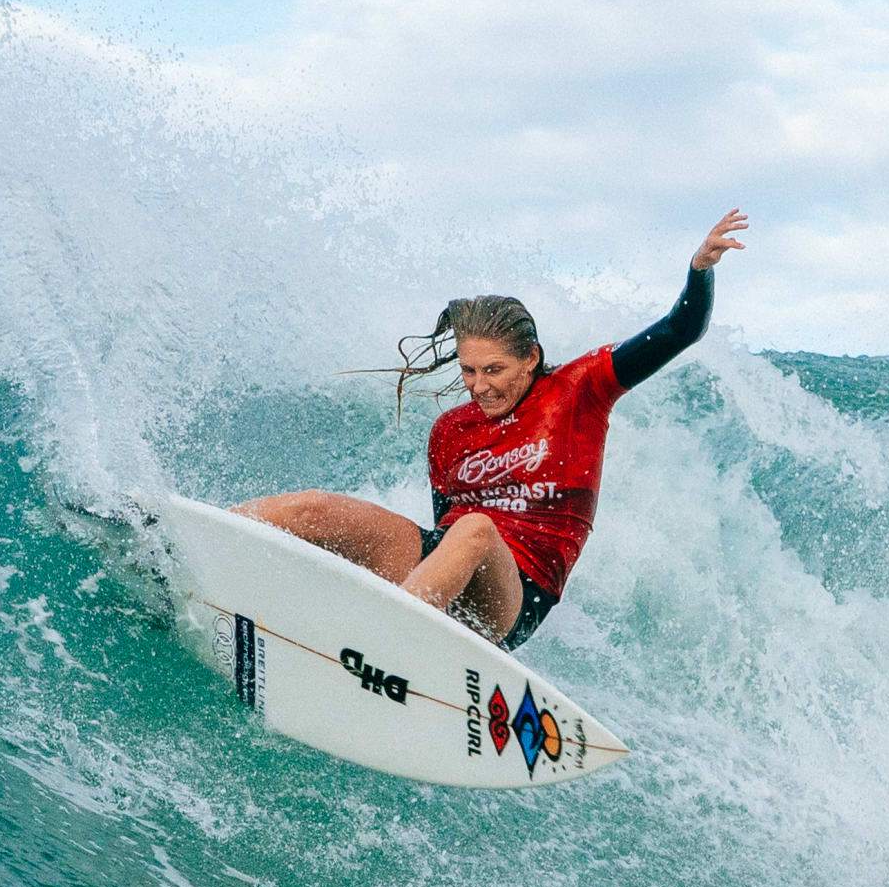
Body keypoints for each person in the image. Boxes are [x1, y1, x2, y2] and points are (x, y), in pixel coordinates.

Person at [236, 210, 749, 649]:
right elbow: (441, 529)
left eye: (494, 370)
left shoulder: (580, 391)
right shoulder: (449, 430)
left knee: (476, 529)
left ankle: (384, 647)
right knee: (313, 509)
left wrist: (699, 271)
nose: (478, 386)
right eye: (468, 370)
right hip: (443, 578)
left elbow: (681, 330)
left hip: (516, 595)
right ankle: (195, 545)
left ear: (531, 358)